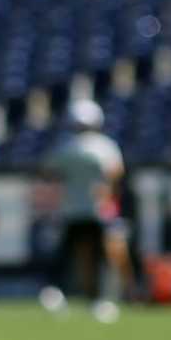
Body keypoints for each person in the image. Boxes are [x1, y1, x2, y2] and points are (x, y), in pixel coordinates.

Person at [40, 97, 130, 323]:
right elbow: (116, 174)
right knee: (96, 255)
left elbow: (50, 171)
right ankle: (99, 298)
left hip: (74, 207)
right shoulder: (105, 146)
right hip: (95, 208)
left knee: (70, 253)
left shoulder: (67, 147)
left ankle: (59, 292)